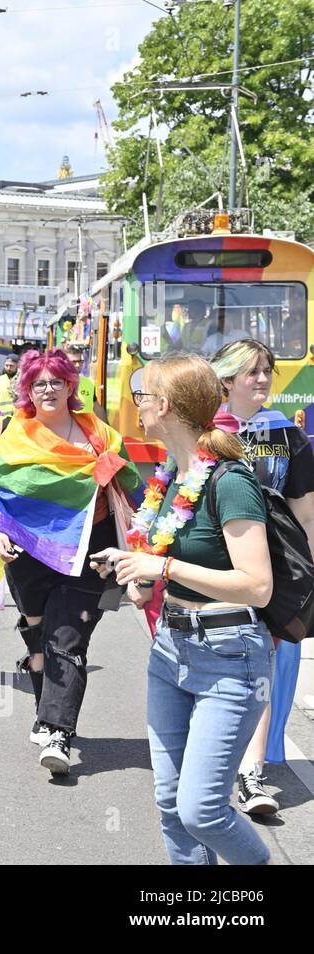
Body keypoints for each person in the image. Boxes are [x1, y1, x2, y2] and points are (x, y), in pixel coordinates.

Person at [95, 354, 273, 865]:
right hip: (171, 648)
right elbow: (165, 552)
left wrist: (164, 570)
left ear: (166, 406)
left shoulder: (229, 481)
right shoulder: (171, 473)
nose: (137, 407)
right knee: (171, 805)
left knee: (202, 811)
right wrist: (134, 568)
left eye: (142, 398)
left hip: (230, 656)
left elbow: (257, 586)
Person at [0, 349, 140, 776]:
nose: (48, 389)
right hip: (28, 551)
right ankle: (47, 706)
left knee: (68, 637)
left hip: (92, 551)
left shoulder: (99, 434)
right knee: (38, 632)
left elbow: (131, 486)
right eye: (39, 383)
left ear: (71, 386)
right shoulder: (17, 435)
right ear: (28, 391)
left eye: (56, 382)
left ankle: (56, 731)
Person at [212, 339, 314, 818]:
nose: (262, 378)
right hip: (209, 569)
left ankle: (252, 776)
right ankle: (209, 762)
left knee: (262, 668)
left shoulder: (286, 434)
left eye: (267, 370)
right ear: (228, 379)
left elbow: (305, 512)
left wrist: (307, 574)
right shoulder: (204, 430)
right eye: (251, 371)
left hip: (269, 572)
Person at [65, 343, 107, 422]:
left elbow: (97, 408)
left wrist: (108, 430)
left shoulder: (88, 383)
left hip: (87, 430)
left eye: (80, 361)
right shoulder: (58, 384)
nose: (77, 365)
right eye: (73, 362)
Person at [0, 353, 19, 434]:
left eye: (11, 366)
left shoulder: (22, 380)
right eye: (6, 365)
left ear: (17, 366)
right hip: (1, 422)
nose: (8, 368)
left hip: (18, 421)